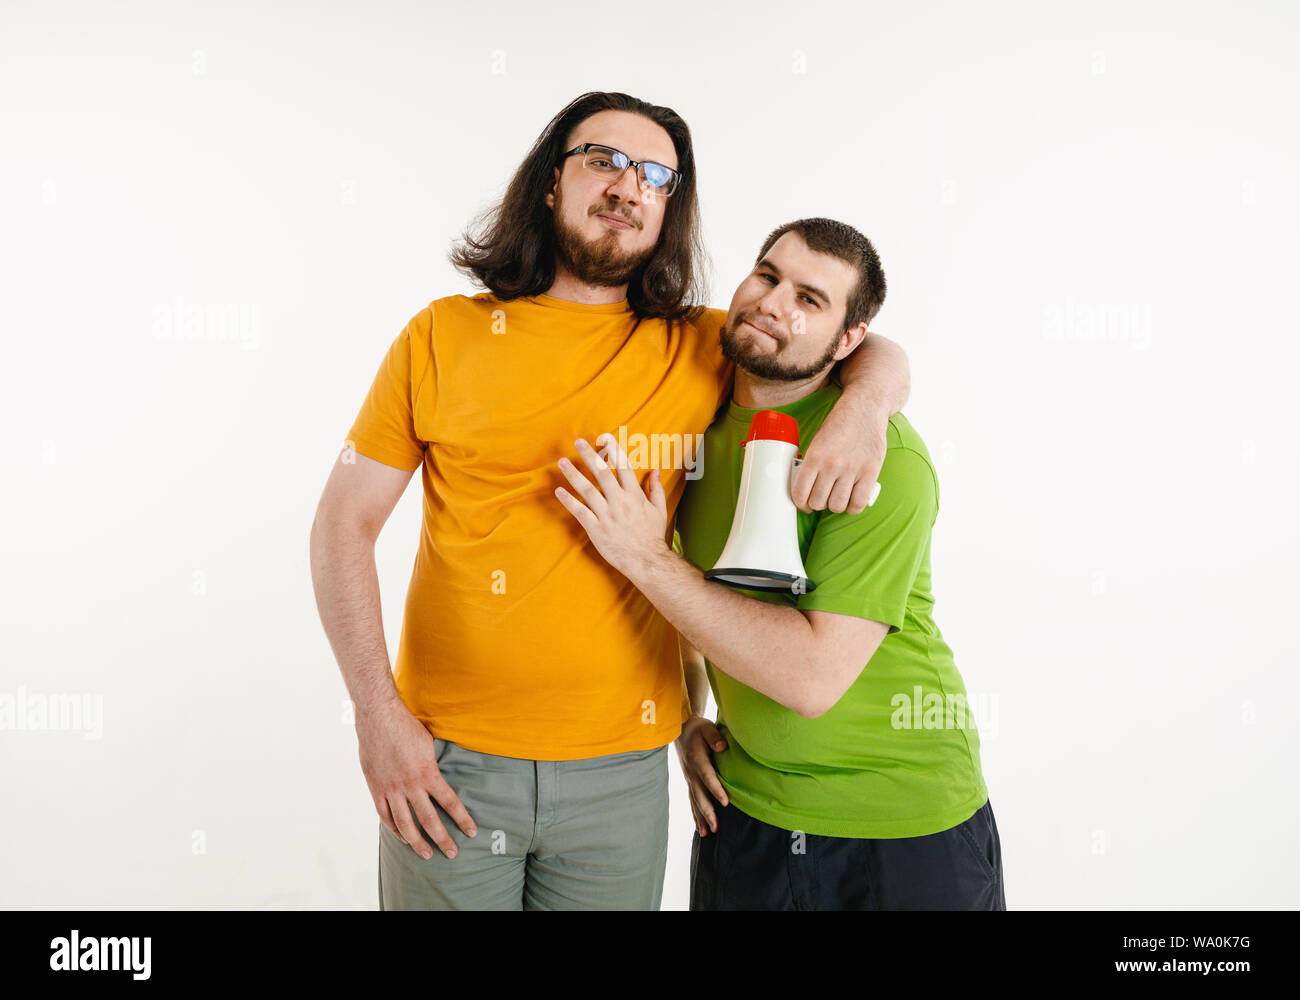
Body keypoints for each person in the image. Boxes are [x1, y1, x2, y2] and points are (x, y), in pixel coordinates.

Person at [308, 93, 912, 910]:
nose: (629, 187)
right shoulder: (442, 336)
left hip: (623, 775)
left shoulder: (704, 343)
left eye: (655, 176)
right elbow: (344, 523)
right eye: (604, 160)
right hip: (444, 763)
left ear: (668, 209)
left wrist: (866, 409)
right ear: (551, 183)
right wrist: (376, 721)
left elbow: (860, 340)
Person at [554, 217, 1004, 910]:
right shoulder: (694, 400)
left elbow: (811, 677)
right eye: (768, 275)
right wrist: (684, 716)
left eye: (810, 301)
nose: (773, 304)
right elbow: (695, 600)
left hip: (902, 832)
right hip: (746, 809)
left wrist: (643, 557)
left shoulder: (880, 465)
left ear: (847, 341)